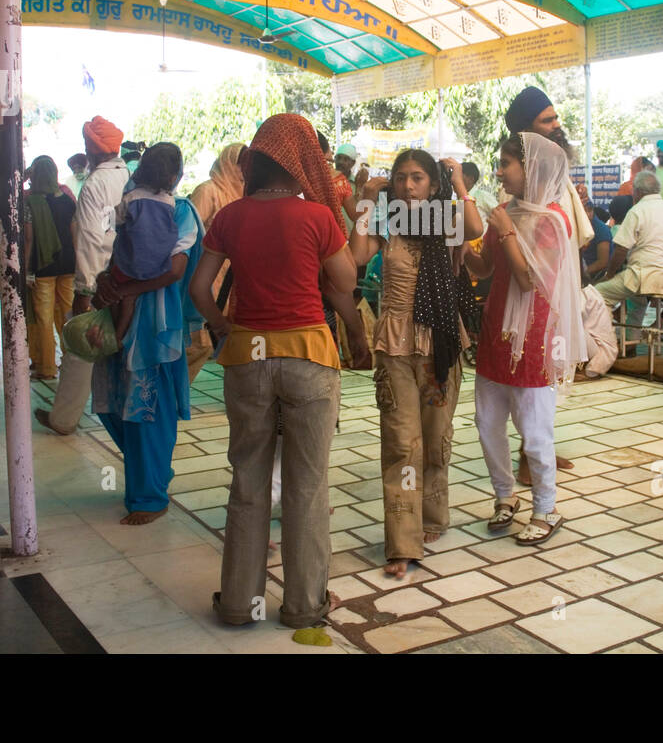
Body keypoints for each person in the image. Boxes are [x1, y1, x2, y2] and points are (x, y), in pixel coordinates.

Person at [191, 113, 368, 630]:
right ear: (299, 162)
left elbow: (199, 290)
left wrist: (224, 327)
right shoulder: (315, 216)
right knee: (306, 485)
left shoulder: (230, 216)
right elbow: (344, 279)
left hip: (248, 357)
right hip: (310, 357)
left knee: (247, 480)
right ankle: (304, 606)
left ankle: (237, 605)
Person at [349, 149, 483, 578]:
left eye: (419, 178)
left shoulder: (447, 223)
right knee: (401, 441)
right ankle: (402, 543)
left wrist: (459, 182)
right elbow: (355, 255)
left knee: (436, 433)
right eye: (402, 177)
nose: (408, 186)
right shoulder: (388, 223)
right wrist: (365, 197)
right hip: (395, 343)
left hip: (439, 342)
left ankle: (432, 517)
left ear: (434, 184)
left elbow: (476, 227)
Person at [464, 133, 583, 545]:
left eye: (506, 163)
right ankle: (504, 496)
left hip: (534, 338)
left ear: (530, 169)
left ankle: (546, 508)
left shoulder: (553, 221)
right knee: (487, 422)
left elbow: (528, 280)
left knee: (534, 430)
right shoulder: (503, 214)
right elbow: (486, 268)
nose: (499, 171)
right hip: (496, 330)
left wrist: (508, 232)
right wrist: (464, 244)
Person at [90, 142, 199, 526]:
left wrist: (127, 290)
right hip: (124, 309)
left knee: (146, 409)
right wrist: (107, 282)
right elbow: (119, 250)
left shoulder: (181, 212)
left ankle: (149, 496)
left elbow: (174, 271)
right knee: (113, 403)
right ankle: (148, 476)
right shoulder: (136, 203)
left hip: (155, 325)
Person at [499, 87, 590, 478]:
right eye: (547, 121)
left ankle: (540, 449)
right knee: (531, 376)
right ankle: (529, 458)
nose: (557, 126)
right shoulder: (520, 188)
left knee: (547, 372)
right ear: (527, 131)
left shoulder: (555, 173)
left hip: (556, 288)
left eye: (555, 118)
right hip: (531, 294)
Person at [35, 116, 131, 436]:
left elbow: (91, 238)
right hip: (125, 274)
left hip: (100, 277)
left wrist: (84, 290)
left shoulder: (94, 184)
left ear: (91, 147)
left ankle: (63, 419)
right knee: (118, 343)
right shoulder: (126, 175)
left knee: (80, 346)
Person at [593, 171, 663, 356]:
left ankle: (607, 346)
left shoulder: (638, 210)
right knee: (636, 301)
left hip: (644, 276)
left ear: (637, 192)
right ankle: (630, 344)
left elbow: (621, 249)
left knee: (598, 295)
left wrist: (609, 274)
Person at [107, 145, 181, 342]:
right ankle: (120, 336)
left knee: (115, 294)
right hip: (158, 266)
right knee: (130, 299)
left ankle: (115, 334)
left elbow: (113, 221)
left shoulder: (131, 198)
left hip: (129, 265)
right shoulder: (171, 202)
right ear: (173, 177)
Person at [189, 142, 246, 382]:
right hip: (210, 271)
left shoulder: (246, 193)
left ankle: (238, 386)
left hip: (235, 274)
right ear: (229, 163)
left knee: (230, 333)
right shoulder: (208, 190)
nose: (244, 170)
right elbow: (190, 233)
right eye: (240, 164)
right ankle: (171, 391)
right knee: (201, 339)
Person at [23, 156, 76, 381]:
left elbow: (28, 239)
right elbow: (75, 236)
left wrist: (25, 270)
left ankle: (46, 367)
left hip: (43, 266)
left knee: (44, 318)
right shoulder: (67, 200)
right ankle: (72, 362)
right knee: (68, 315)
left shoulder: (30, 202)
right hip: (68, 265)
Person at [579, 277, 618, 380]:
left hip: (598, 350)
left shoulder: (584, 291)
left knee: (567, 327)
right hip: (591, 344)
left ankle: (579, 369)